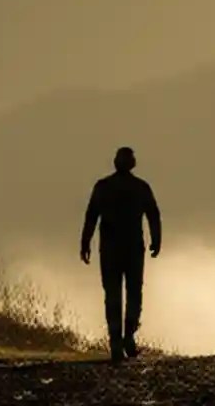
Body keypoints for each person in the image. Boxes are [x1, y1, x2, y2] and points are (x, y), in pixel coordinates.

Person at [80, 146, 162, 362]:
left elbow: (91, 216)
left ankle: (117, 342)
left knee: (113, 295)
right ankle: (127, 337)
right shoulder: (140, 187)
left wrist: (85, 243)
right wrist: (156, 239)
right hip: (132, 249)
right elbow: (153, 215)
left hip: (111, 249)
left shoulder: (103, 187)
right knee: (134, 293)